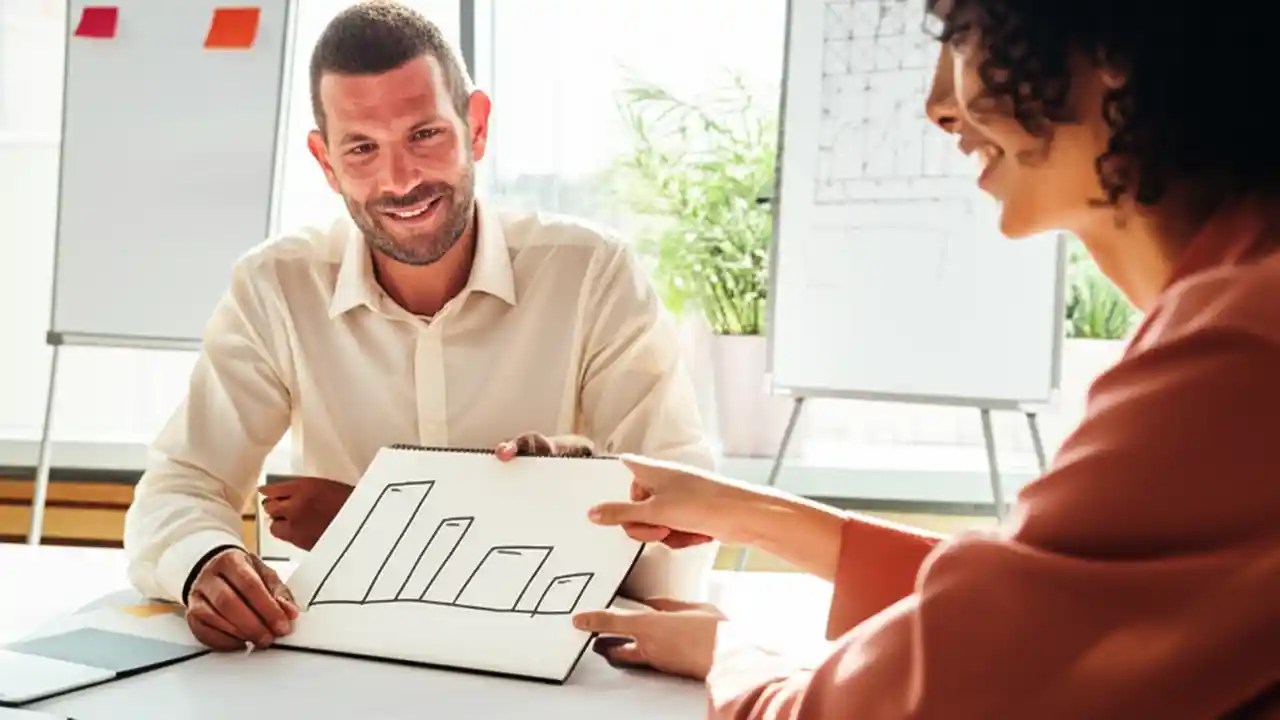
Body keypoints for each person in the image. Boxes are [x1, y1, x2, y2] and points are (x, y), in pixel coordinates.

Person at [571, 1, 1280, 716]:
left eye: (962, 35)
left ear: (1113, 45)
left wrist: (734, 656)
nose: (939, 105)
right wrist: (747, 513)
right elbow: (1052, 603)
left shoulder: (1240, 352)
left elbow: (940, 696)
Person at [123, 1, 716, 652]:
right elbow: (182, 485)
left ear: (477, 127)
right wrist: (204, 563)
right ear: (325, 162)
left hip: (555, 666)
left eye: (424, 134)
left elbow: (682, 517)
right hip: (341, 665)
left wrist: (368, 519)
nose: (400, 179)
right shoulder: (276, 287)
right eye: (362, 148)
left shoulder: (592, 275)